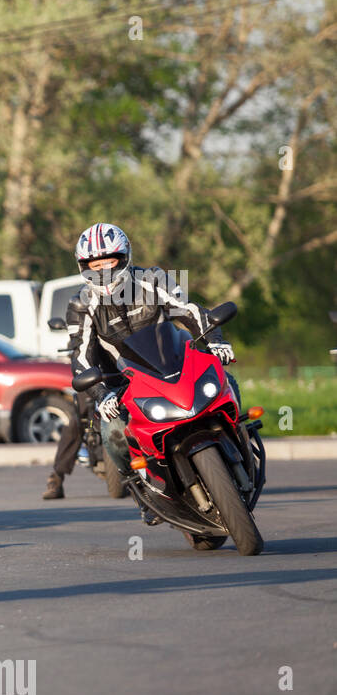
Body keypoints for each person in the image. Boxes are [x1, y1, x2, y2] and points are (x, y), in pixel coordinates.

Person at [70, 222, 236, 521]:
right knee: (113, 433)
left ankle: (239, 438)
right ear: (84, 267)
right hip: (123, 383)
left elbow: (188, 310)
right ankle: (142, 492)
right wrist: (100, 393)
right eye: (95, 264)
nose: (104, 270)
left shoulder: (153, 279)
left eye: (110, 261)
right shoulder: (81, 304)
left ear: (124, 257)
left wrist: (216, 341)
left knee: (226, 383)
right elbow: (80, 355)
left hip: (173, 364)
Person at [43, 297, 89, 499]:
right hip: (92, 373)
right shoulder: (84, 307)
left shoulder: (126, 307)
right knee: (76, 420)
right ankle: (56, 477)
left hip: (119, 373)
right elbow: (77, 345)